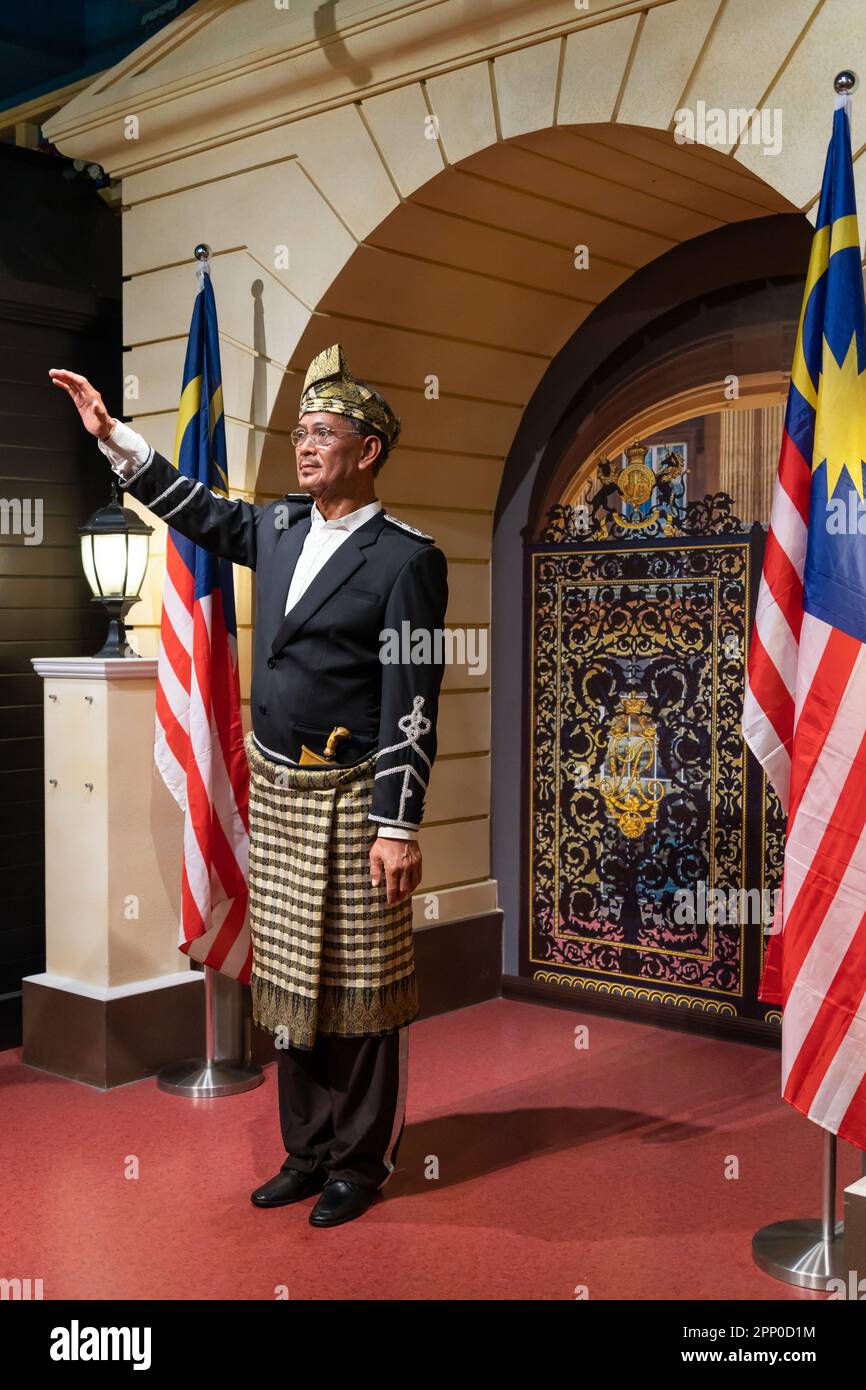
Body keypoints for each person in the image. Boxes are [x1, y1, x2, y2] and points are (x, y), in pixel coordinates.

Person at [49, 344, 449, 1227]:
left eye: (324, 434)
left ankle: (360, 1160)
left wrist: (398, 823)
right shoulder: (274, 529)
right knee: (294, 980)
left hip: (355, 797)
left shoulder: (405, 559)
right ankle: (305, 1151)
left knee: (363, 985)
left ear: (368, 449)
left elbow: (413, 699)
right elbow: (195, 511)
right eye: (302, 433)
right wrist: (117, 439)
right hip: (279, 791)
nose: (305, 448)